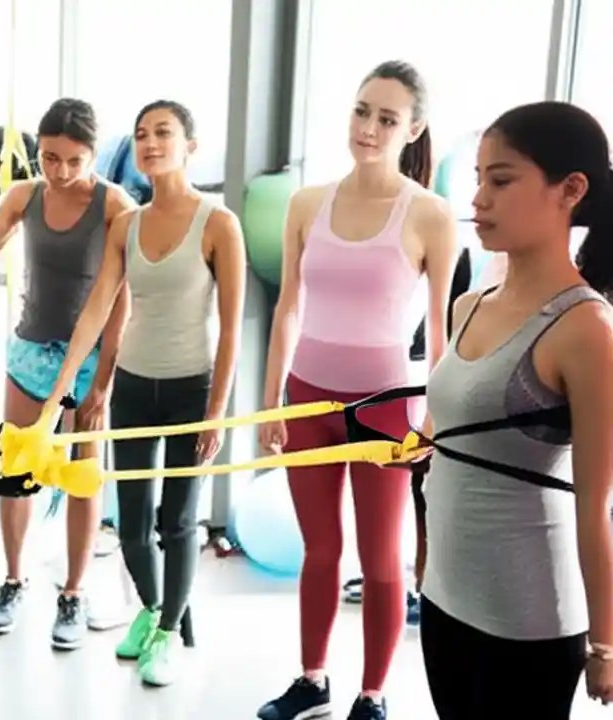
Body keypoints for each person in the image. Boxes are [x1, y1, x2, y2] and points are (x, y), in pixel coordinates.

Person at [255, 60, 458, 720]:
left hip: (387, 407)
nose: (369, 128)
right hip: (307, 397)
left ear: (414, 128)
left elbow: (444, 333)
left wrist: (429, 415)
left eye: (387, 118)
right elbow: (288, 306)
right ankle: (313, 681)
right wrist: (270, 398)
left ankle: (372, 694)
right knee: (319, 550)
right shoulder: (306, 202)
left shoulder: (430, 214)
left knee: (380, 559)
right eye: (361, 111)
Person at [37, 99, 247, 687]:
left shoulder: (218, 223)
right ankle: (153, 611)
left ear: (190, 145)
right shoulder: (126, 225)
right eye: (142, 134)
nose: (151, 143)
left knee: (177, 521)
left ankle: (168, 631)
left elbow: (231, 326)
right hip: (132, 383)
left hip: (191, 389)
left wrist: (216, 412)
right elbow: (99, 308)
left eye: (164, 132)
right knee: (129, 524)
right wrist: (67, 391)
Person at [419, 100, 613, 718]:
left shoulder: (586, 329)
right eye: (478, 178)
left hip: (526, 619)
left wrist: (606, 642)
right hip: (444, 596)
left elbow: (597, 506)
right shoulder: (468, 305)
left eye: (500, 181)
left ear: (571, 190)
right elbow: (446, 439)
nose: (479, 198)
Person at [0, 97, 136, 649]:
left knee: (82, 479)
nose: (59, 171)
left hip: (89, 362)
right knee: (16, 472)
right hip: (31, 354)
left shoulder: (115, 205)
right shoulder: (25, 195)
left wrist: (102, 381)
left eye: (73, 161)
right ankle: (12, 580)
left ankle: (73, 593)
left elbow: (120, 299)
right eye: (50, 158)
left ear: (93, 156)